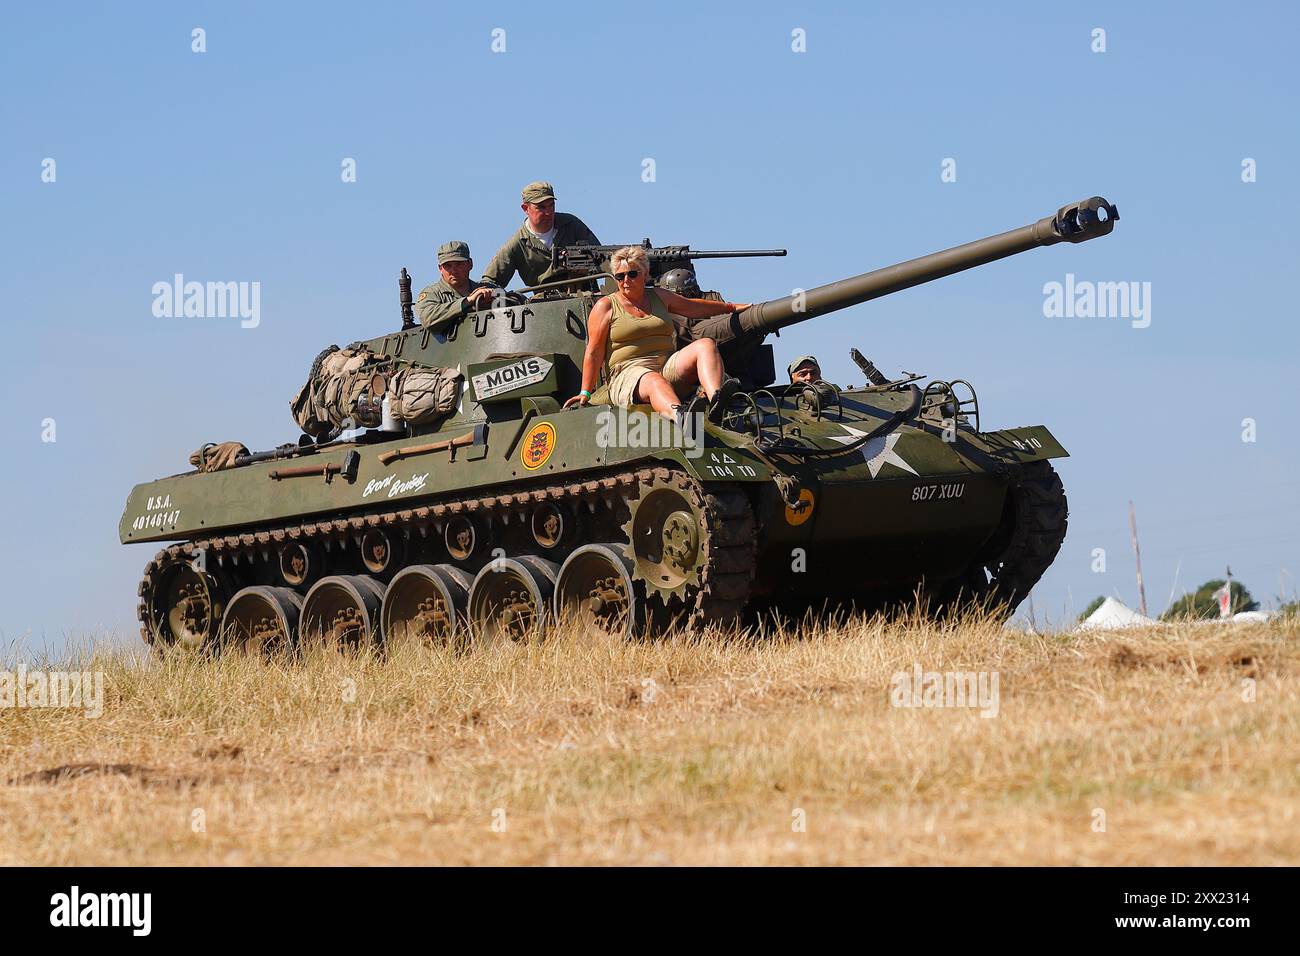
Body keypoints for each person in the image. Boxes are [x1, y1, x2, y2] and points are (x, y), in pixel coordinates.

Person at [564, 245, 750, 428]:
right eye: (620, 276)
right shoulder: (606, 306)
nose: (626, 280)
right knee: (654, 380)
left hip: (665, 366)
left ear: (645, 273)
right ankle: (681, 419)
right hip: (627, 374)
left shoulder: (659, 296)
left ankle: (717, 403)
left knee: (706, 345)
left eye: (632, 274)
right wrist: (585, 392)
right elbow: (594, 352)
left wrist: (731, 308)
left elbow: (694, 307)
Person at [482, 181, 600, 289]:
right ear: (525, 208)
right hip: (546, 306)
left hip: (588, 299)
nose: (548, 212)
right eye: (541, 207)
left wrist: (582, 263)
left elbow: (604, 258)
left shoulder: (571, 225)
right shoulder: (517, 245)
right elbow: (490, 282)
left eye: (551, 205)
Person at [416, 241, 499, 330]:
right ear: (440, 268)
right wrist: (468, 301)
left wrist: (493, 300)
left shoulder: (486, 288)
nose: (453, 271)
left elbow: (512, 303)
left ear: (470, 264)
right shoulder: (432, 293)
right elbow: (428, 318)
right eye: (448, 266)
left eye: (458, 264)